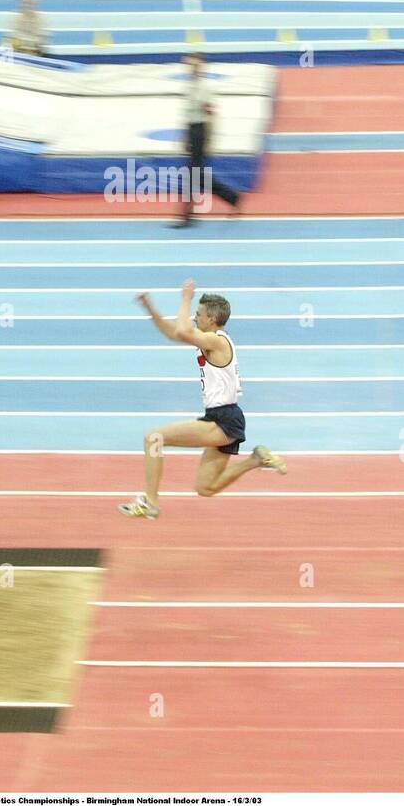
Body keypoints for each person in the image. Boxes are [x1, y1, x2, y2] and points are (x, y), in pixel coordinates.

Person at [119, 280, 286, 519]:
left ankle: (150, 503)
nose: (195, 318)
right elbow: (173, 332)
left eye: (198, 314)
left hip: (224, 419)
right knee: (205, 488)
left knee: (153, 438)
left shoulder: (218, 340)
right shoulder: (209, 341)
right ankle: (255, 460)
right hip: (224, 417)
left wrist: (186, 298)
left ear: (211, 319)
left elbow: (184, 330)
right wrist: (150, 308)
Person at [171, 53, 243, 228]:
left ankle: (186, 216)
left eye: (193, 65)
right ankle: (232, 196)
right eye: (188, 65)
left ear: (200, 67)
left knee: (191, 175)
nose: (190, 68)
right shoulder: (190, 86)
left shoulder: (204, 88)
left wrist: (209, 140)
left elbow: (211, 115)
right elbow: (189, 114)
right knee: (198, 176)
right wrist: (184, 135)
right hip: (192, 131)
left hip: (200, 132)